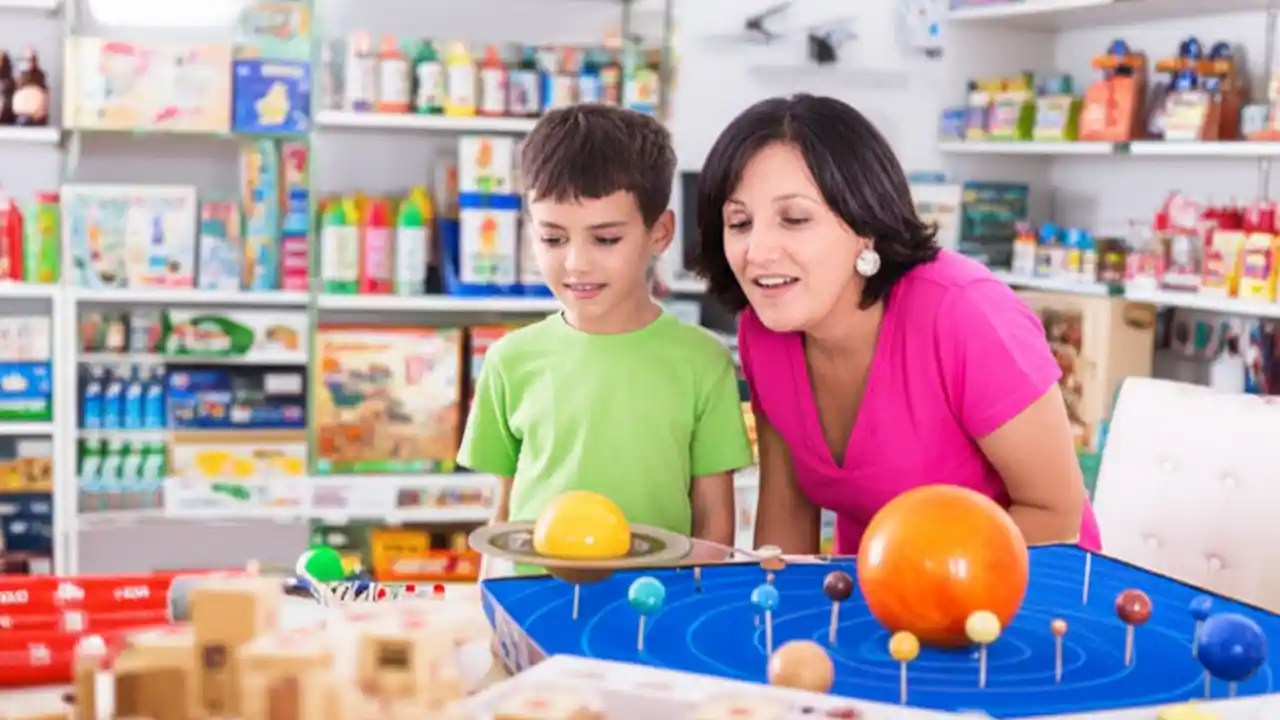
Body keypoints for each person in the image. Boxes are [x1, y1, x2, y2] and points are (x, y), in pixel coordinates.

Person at [693, 94, 1103, 555]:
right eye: (740, 222)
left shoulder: (966, 314)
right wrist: (780, 619)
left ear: (864, 223)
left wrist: (916, 594)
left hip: (1022, 590)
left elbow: (1054, 512)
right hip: (874, 597)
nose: (757, 250)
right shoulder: (764, 330)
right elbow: (787, 509)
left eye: (794, 219)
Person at [459, 104, 755, 575]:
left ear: (658, 232)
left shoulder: (703, 362)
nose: (577, 263)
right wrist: (493, 607)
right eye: (553, 239)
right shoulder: (509, 360)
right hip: (538, 603)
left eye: (606, 239)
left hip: (654, 610)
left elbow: (715, 517)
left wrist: (693, 603)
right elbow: (504, 511)